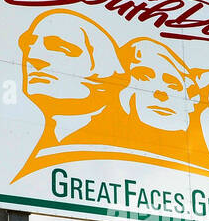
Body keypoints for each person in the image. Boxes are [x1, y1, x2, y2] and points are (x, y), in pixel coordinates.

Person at [18, 9, 127, 142]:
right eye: (29, 45)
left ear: (101, 63)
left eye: (59, 47)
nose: (32, 57)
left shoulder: (119, 143)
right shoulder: (25, 134)